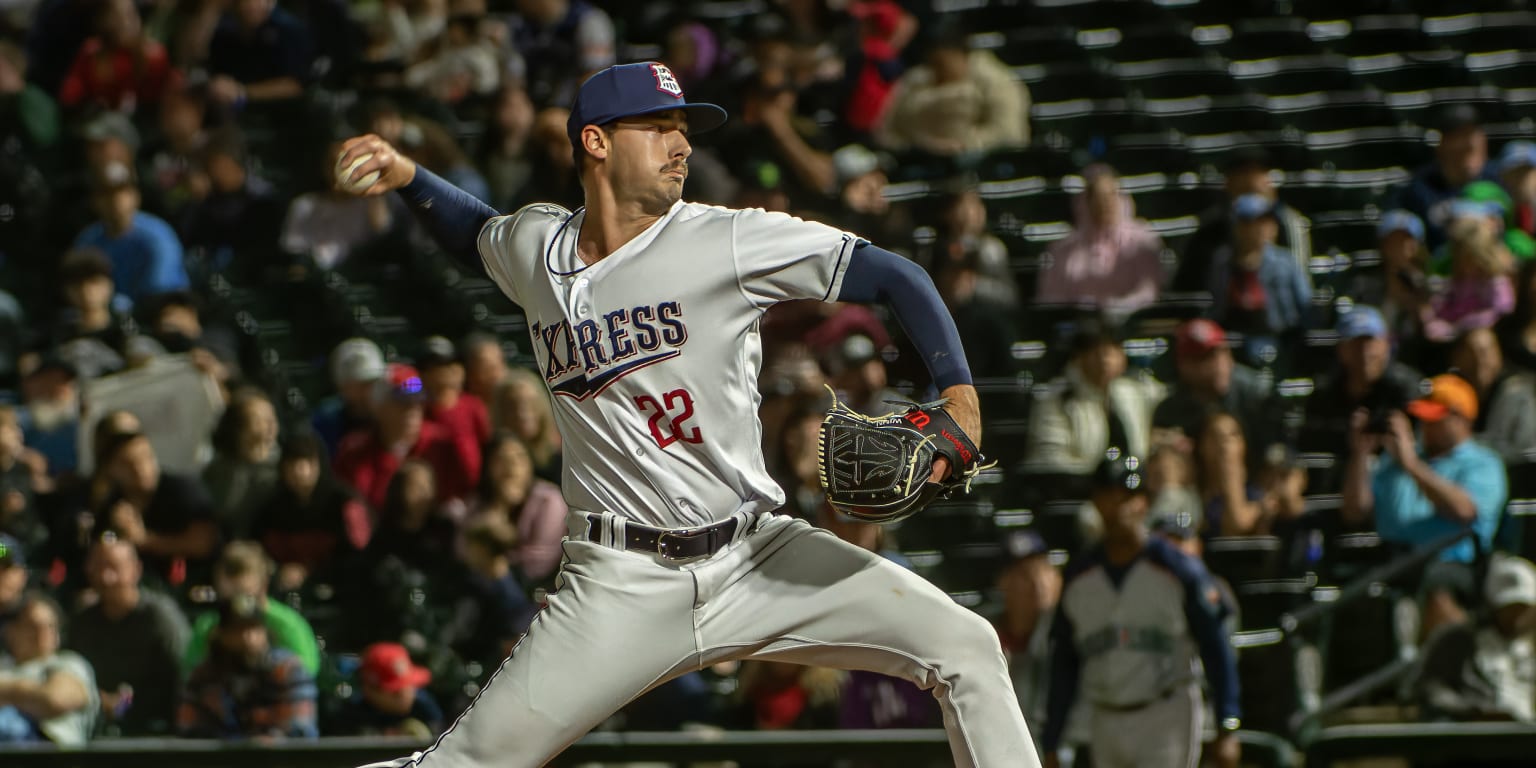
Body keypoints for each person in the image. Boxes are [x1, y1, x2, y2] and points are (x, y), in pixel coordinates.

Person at [338, 60, 1038, 767]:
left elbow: (896, 276)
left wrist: (960, 396)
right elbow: (476, 235)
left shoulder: (724, 238)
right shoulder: (537, 248)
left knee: (967, 648)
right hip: (618, 583)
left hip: (757, 556)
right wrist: (407, 177)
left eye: (685, 131)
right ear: (597, 142)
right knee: (463, 763)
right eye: (660, 128)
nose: (683, 146)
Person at [1043, 454, 1241, 768]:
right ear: (1096, 503)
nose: (1120, 506)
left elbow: (1215, 646)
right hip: (1105, 716)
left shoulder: (1178, 570)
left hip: (1165, 712)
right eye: (1109, 496)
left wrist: (1228, 721)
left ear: (1145, 502)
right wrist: (1052, 738)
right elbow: (1064, 662)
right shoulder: (1079, 576)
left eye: (1129, 496)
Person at [1346, 374, 1508, 638]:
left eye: (1435, 418)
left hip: (1451, 564)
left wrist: (1411, 465)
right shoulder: (1396, 458)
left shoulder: (1483, 463)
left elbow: (1464, 510)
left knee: (1438, 589)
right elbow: (1355, 511)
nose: (1425, 424)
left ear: (1462, 419)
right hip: (1390, 561)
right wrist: (1359, 454)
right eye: (1423, 417)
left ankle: (1447, 668)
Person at [67, 534, 189, 736]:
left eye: (114, 568)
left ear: (135, 570)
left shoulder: (160, 619)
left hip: (155, 727)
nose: (107, 578)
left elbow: (180, 679)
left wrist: (127, 704)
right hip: (95, 725)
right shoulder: (83, 621)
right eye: (99, 567)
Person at [333, 363, 479, 519]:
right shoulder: (355, 451)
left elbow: (470, 479)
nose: (412, 410)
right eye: (402, 402)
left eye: (417, 401)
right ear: (379, 407)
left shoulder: (441, 443)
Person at [1025, 320, 1165, 480]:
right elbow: (1051, 461)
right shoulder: (1053, 398)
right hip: (1077, 489)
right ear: (1078, 356)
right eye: (1095, 350)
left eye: (1112, 349)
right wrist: (1103, 480)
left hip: (1135, 487)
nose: (1104, 358)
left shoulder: (1137, 391)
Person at [1412, 554, 1536, 723]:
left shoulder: (1530, 646)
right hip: (1470, 734)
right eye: (1510, 608)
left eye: (1523, 608)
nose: (1517, 616)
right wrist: (1474, 711)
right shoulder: (1457, 640)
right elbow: (1429, 689)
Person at [177, 594, 318, 739]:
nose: (248, 638)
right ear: (221, 634)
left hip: (277, 759)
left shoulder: (288, 670)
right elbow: (190, 732)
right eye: (238, 630)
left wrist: (265, 743)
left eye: (254, 629)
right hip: (217, 760)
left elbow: (301, 733)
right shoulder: (203, 676)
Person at [875, 24, 1029, 156]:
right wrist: (917, 147)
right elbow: (887, 128)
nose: (937, 70)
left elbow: (1009, 131)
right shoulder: (915, 80)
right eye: (932, 63)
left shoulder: (996, 80)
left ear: (961, 55)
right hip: (917, 157)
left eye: (941, 63)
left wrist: (965, 144)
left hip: (978, 159)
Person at [1036, 164, 1164, 318]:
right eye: (1096, 197)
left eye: (1111, 195)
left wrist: (1116, 311)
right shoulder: (1061, 250)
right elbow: (1051, 298)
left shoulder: (1143, 242)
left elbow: (1149, 292)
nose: (1105, 203)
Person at [183, 542, 321, 677]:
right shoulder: (207, 625)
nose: (234, 608)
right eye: (227, 599)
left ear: (263, 586)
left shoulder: (287, 624)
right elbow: (189, 672)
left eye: (243, 597)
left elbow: (307, 671)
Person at [1151, 319, 1278, 461]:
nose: (1217, 364)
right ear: (1183, 365)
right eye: (1204, 358)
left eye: (1222, 353)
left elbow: (1278, 449)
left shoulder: (1257, 394)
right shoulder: (1170, 410)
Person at [1204, 194, 1313, 350]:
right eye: (1249, 223)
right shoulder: (1221, 261)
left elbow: (1305, 306)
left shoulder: (1286, 262)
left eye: (1264, 221)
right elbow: (1214, 307)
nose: (1258, 229)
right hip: (1233, 342)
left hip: (1280, 340)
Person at [1394, 104, 1499, 250]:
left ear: (1483, 140)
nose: (1466, 142)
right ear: (1442, 145)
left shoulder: (1500, 178)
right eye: (1458, 136)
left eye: (1471, 134)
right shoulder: (1420, 188)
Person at [0, 593, 98, 746]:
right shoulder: (3, 667)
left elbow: (55, 700)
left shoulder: (68, 663)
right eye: (32, 626)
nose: (43, 633)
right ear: (11, 632)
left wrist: (10, 690)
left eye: (50, 626)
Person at [470, 433, 566, 585]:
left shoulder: (548, 500)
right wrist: (500, 506)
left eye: (519, 457)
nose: (511, 464)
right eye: (501, 459)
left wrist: (496, 560)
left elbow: (538, 564)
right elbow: (462, 548)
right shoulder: (481, 501)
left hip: (534, 591)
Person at [1450, 328, 1536, 462]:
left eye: (1485, 352)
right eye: (1472, 352)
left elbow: (1520, 449)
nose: (1479, 361)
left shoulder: (1516, 392)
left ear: (1498, 355)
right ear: (1457, 358)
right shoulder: (1450, 391)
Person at [1349, 210, 1433, 347]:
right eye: (1394, 241)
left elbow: (1429, 330)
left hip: (1414, 353)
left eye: (1406, 240)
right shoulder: (1363, 285)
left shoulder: (1426, 285)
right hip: (1374, 349)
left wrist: (1415, 303)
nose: (1401, 248)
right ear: (1383, 245)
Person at [330, 642, 444, 738]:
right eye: (396, 693)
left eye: (410, 685)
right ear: (369, 690)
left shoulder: (424, 707)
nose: (407, 696)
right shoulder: (353, 717)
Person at [314, 337, 386, 457]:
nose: (368, 390)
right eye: (360, 384)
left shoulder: (389, 413)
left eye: (373, 382)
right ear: (342, 386)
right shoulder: (326, 421)